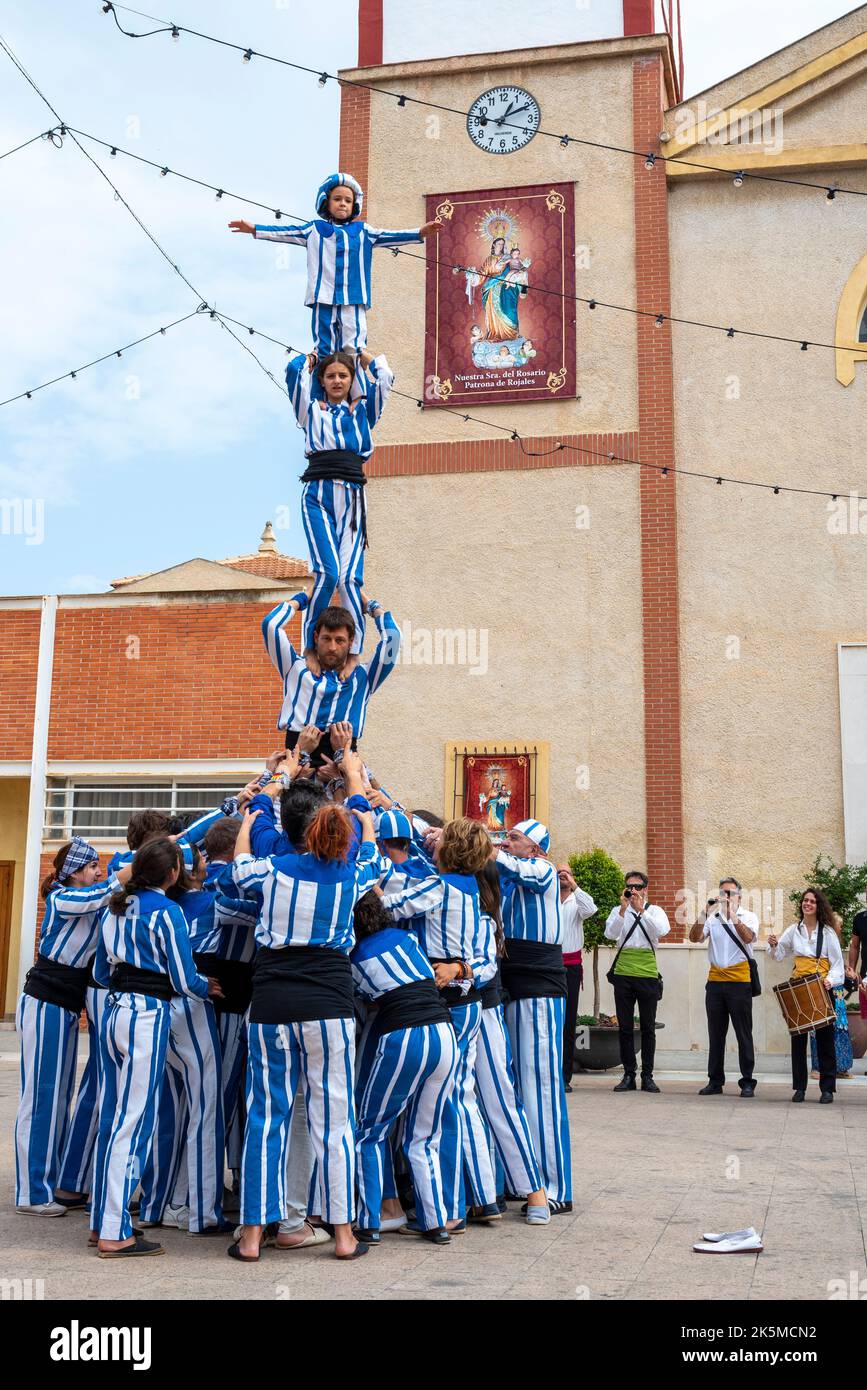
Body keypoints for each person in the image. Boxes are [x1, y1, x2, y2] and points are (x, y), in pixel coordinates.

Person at [231, 748, 382, 1261]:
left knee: (265, 1117)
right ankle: (343, 1235)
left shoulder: (270, 872)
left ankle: (252, 1236)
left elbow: (239, 865)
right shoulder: (356, 872)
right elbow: (374, 847)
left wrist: (263, 803)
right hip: (331, 1005)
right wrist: (358, 793)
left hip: (272, 1002)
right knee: (334, 1118)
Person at [89, 838, 223, 1257]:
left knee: (113, 1120)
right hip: (147, 1015)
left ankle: (101, 1223)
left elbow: (99, 970)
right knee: (135, 1123)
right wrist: (207, 987)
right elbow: (184, 979)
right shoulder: (167, 911)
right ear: (171, 875)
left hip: (113, 1012)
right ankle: (114, 1231)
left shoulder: (114, 906)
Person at [380, 818, 499, 1229]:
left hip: (437, 1001)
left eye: (441, 838)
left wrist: (373, 880)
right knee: (454, 1100)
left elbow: (390, 908)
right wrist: (463, 967)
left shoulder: (438, 886)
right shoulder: (473, 893)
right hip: (467, 1004)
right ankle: (460, 1202)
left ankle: (445, 1211)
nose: (433, 842)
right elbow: (484, 962)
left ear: (451, 849)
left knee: (434, 1110)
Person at [15, 839, 131, 1216]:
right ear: (75, 872)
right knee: (41, 1098)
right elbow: (102, 892)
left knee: (57, 1096)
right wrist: (130, 868)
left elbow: (103, 895)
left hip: (62, 1007)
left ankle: (44, 1183)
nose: (99, 871)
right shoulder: (63, 898)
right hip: (44, 1004)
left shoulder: (89, 900)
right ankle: (32, 1193)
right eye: (93, 866)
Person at [230, 172, 441, 359]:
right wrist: (255, 229)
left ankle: (357, 395)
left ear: (354, 205)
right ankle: (321, 395)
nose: (343, 204)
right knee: (324, 348)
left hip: (354, 299)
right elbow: (285, 232)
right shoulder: (314, 229)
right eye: (337, 199)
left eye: (348, 201)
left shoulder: (363, 231)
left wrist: (420, 232)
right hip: (323, 297)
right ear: (326, 202)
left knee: (354, 347)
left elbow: (391, 235)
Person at [350, 890, 458, 1245]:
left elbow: (367, 1003)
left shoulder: (355, 957)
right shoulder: (407, 937)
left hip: (403, 1036)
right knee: (422, 1138)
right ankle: (435, 1222)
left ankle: (369, 1222)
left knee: (369, 1130)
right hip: (445, 1034)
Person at [286, 347, 393, 657]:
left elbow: (386, 378)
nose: (337, 380)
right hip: (318, 494)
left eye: (343, 376)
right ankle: (310, 645)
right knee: (328, 573)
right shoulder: (310, 411)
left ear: (351, 380)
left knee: (348, 580)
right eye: (330, 375)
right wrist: (309, 360)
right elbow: (293, 374)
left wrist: (365, 359)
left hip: (353, 497)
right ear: (322, 379)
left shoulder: (363, 411)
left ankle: (355, 651)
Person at [494, 821, 572, 1215]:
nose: (506, 842)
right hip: (513, 983)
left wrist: (482, 845)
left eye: (514, 838)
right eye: (505, 837)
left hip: (540, 989)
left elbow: (508, 865)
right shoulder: (510, 877)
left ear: (536, 848)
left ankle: (555, 1186)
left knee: (541, 1086)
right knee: (517, 1084)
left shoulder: (541, 869)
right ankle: (523, 1179)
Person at [472, 861, 550, 1223]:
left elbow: (485, 969)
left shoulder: (484, 918)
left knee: (500, 1101)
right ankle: (482, 1197)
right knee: (463, 1104)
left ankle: (536, 1194)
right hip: (457, 1012)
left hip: (484, 1011)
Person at [261, 593, 400, 759]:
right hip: (296, 762)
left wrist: (370, 605)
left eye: (340, 640)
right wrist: (304, 598)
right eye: (326, 639)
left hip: (344, 767)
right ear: (315, 638)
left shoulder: (365, 676)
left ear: (351, 642)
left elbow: (393, 638)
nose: (332, 647)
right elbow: (270, 625)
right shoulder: (294, 667)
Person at [768, 887, 845, 1103]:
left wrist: (830, 980)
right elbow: (779, 955)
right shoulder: (794, 930)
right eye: (805, 900)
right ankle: (799, 1088)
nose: (807, 904)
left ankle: (827, 1089)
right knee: (798, 1039)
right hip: (799, 988)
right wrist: (774, 946)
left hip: (821, 987)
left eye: (811, 901)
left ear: (818, 906)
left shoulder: (827, 932)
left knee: (825, 1039)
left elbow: (838, 964)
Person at [689, 878, 760, 1097]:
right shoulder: (712, 918)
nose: (725, 896)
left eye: (730, 892)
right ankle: (715, 1081)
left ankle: (747, 1081)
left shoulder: (749, 917)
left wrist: (733, 915)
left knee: (743, 1033)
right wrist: (704, 911)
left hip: (739, 981)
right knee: (716, 1034)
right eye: (722, 892)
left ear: (739, 896)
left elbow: (748, 938)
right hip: (716, 982)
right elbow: (694, 938)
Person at [604, 871, 670, 1094]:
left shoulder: (655, 911)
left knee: (648, 1027)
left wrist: (641, 910)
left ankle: (648, 1076)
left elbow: (662, 931)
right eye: (630, 886)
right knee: (625, 1027)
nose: (633, 890)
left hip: (648, 973)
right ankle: (628, 1074)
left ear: (645, 889)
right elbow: (610, 934)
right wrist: (624, 909)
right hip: (623, 972)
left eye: (638, 886)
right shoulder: (618, 911)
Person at [557, 865, 597, 1091]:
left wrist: (573, 885)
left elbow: (590, 910)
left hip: (571, 966)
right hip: (549, 964)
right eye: (558, 873)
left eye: (566, 872)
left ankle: (565, 1076)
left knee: (568, 1021)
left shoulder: (577, 900)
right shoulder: (548, 898)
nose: (562, 876)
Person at [811, 912, 856, 1079]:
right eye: (840, 925)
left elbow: (839, 968)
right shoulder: (819, 942)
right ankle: (818, 1068)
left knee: (840, 1029)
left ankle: (840, 1067)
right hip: (823, 991)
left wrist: (849, 975)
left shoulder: (835, 942)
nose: (841, 928)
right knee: (820, 1029)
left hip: (837, 994)